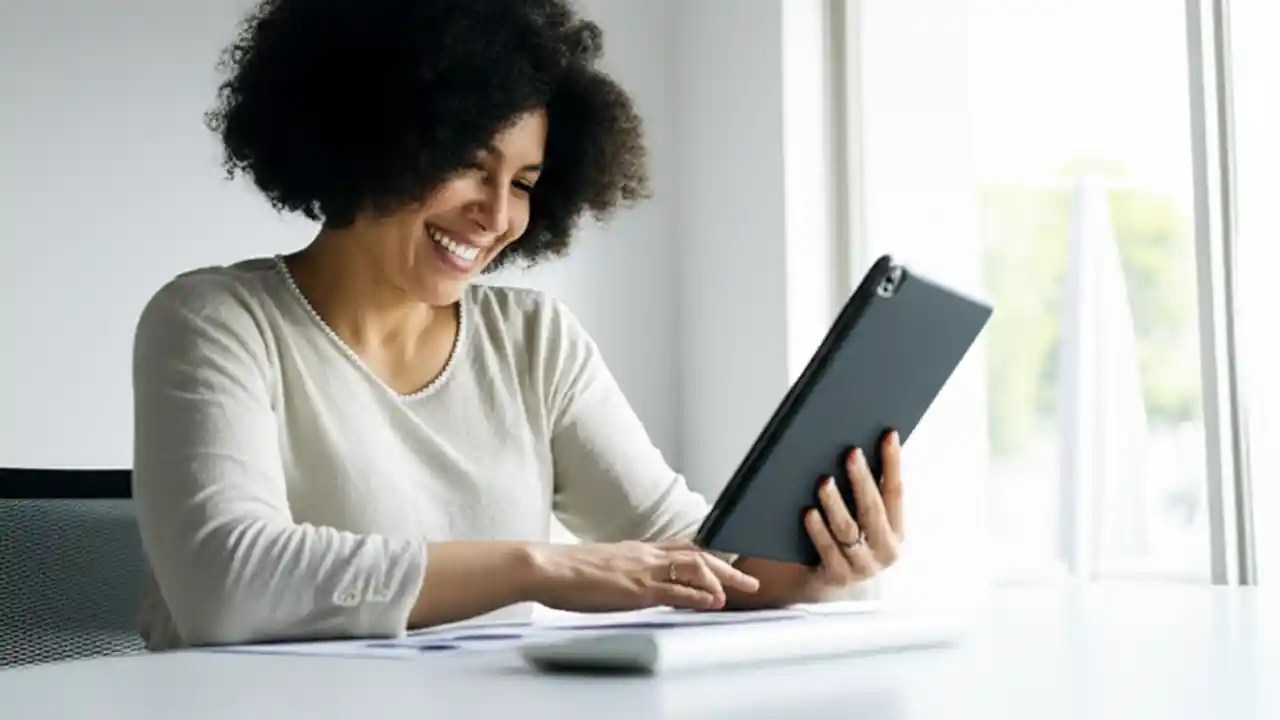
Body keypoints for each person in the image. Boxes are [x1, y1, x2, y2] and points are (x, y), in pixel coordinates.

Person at [131, 0, 906, 650]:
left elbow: (693, 554)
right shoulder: (215, 322)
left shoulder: (534, 342)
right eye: (469, 164)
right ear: (369, 140)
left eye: (525, 183)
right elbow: (225, 587)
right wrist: (544, 567)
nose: (498, 215)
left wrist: (814, 570)